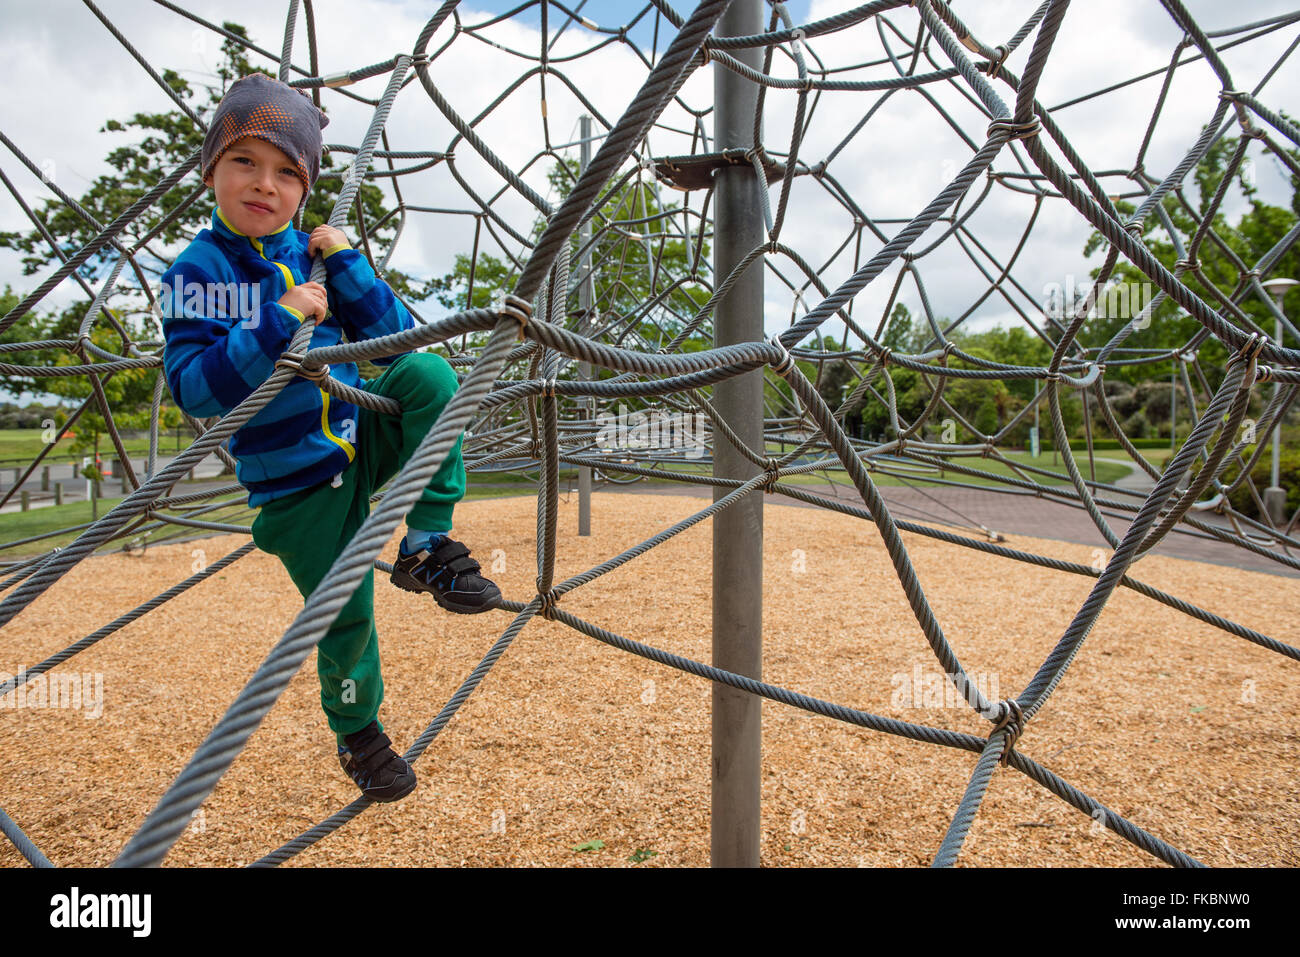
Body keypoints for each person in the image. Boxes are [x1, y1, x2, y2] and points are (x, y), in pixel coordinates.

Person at [160, 73, 501, 803]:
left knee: (434, 378)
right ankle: (358, 731)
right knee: (345, 615)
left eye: (288, 171)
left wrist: (347, 262)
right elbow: (195, 388)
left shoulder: (315, 254)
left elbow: (394, 340)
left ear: (306, 187)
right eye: (244, 162)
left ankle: (426, 544)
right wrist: (278, 320)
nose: (265, 184)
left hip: (357, 440)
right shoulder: (200, 271)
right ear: (211, 169)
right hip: (297, 492)